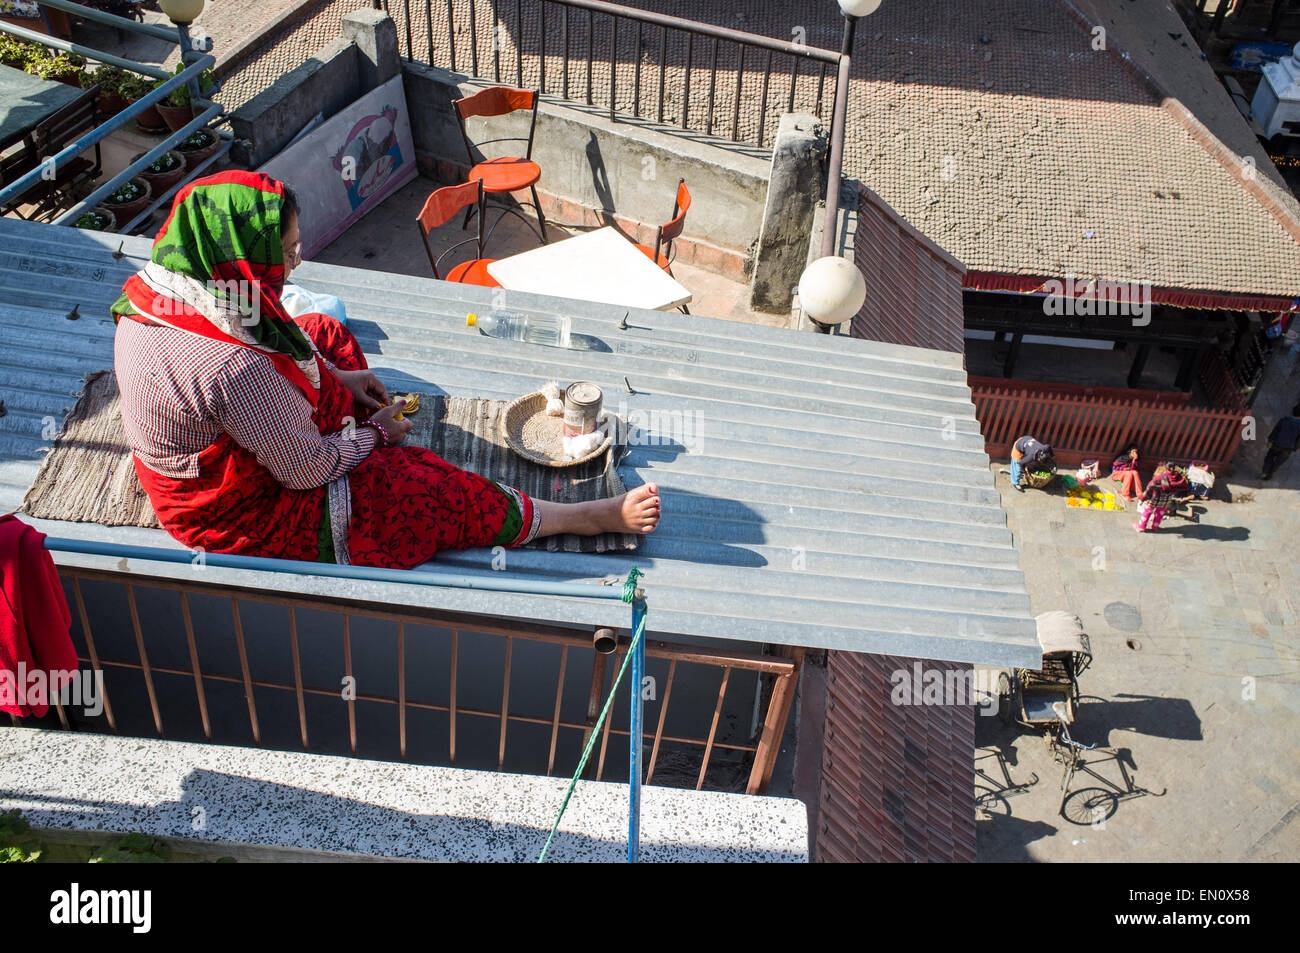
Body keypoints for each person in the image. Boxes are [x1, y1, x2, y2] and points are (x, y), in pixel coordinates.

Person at [112, 171, 660, 569]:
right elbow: (303, 472)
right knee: (415, 489)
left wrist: (338, 381)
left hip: (240, 423)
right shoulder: (232, 364)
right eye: (286, 253)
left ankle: (346, 408)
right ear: (245, 258)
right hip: (239, 507)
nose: (295, 264)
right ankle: (574, 517)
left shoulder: (162, 294)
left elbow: (283, 353)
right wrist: (374, 436)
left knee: (322, 335)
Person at [1134, 463, 1191, 533]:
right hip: (1166, 500)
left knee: (1147, 512)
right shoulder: (1176, 478)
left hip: (1154, 498)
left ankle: (1141, 527)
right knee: (1159, 513)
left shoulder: (1159, 478)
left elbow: (1149, 487)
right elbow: (1183, 486)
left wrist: (1143, 498)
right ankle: (1155, 527)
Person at [1261, 404, 1300, 481]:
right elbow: (1299, 439)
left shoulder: (1284, 420)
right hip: (1288, 448)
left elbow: (1275, 431)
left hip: (1277, 444)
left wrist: (1270, 440)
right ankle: (1270, 474)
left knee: (1269, 457)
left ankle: (1265, 471)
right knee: (1278, 463)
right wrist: (1296, 447)